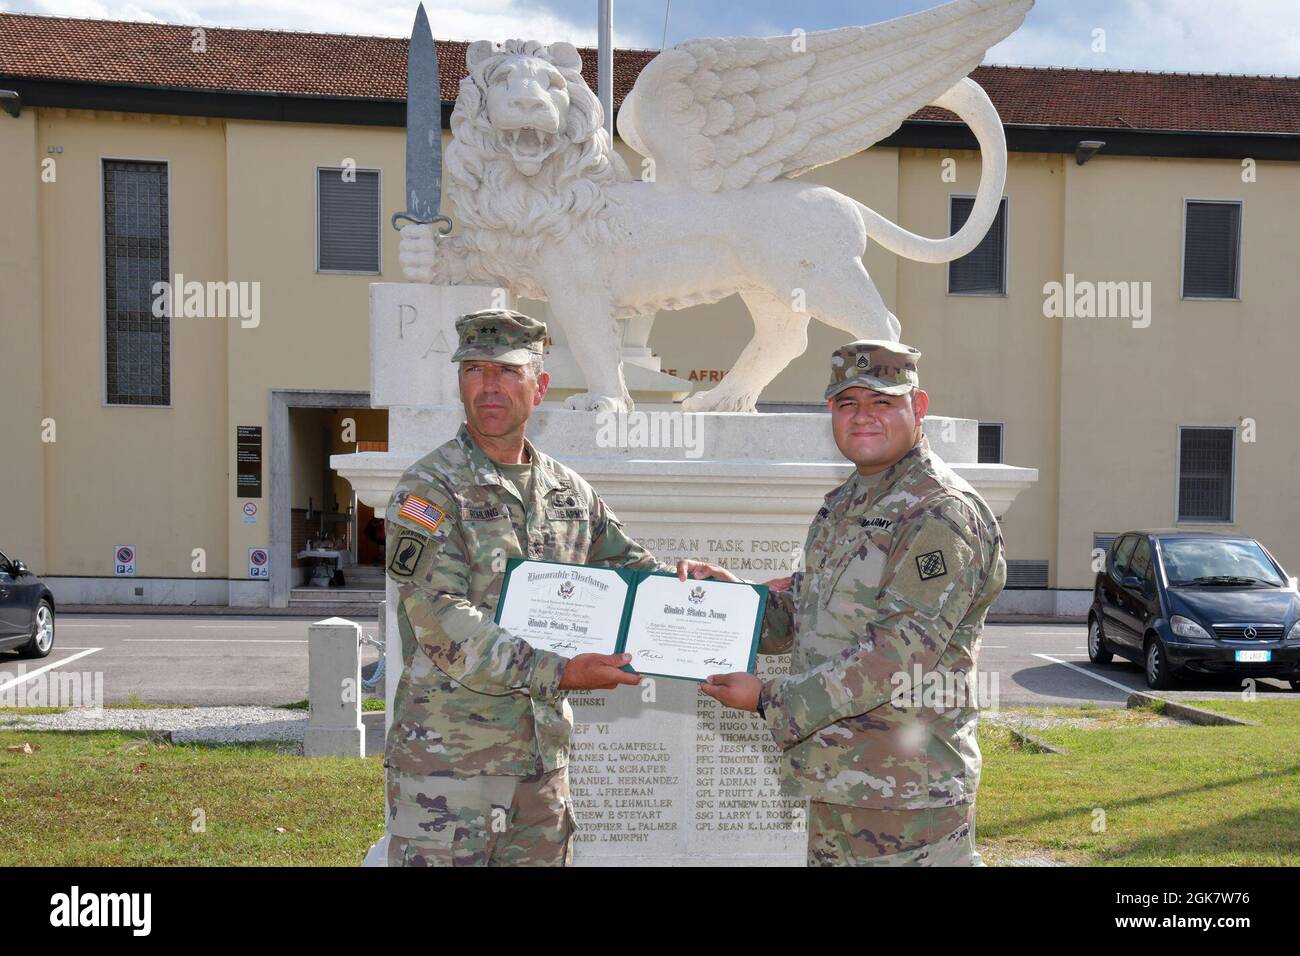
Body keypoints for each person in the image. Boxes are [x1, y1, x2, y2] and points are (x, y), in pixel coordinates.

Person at [686, 339, 1006, 866]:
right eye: (847, 403)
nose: (863, 417)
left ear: (917, 407)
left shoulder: (939, 514)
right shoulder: (848, 504)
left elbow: (896, 655)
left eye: (882, 402)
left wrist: (770, 698)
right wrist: (727, 602)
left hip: (908, 797)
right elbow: (810, 615)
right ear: (831, 410)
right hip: (845, 780)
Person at [383, 308, 685, 867]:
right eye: (474, 369)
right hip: (450, 775)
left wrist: (700, 598)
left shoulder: (567, 491)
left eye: (506, 371)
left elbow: (634, 575)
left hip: (542, 769)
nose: (488, 385)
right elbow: (442, 619)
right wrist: (560, 671)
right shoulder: (427, 490)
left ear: (539, 386)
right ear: (459, 381)